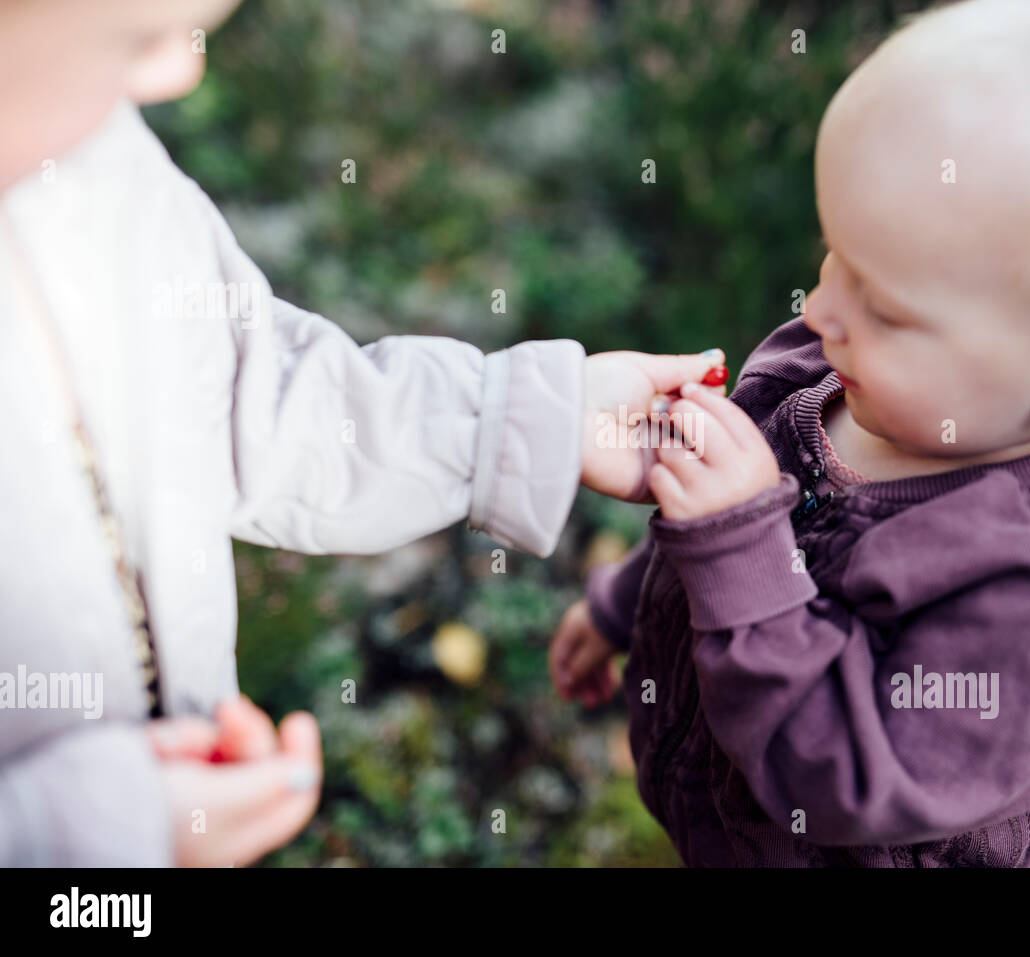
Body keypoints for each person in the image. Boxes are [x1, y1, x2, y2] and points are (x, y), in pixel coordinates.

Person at [550, 0, 1030, 865]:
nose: (821, 309)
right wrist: (622, 604)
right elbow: (718, 522)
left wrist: (736, 547)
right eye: (836, 255)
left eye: (885, 303)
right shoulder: (836, 368)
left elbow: (843, 778)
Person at [0, 0, 722, 866]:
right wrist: (97, 828)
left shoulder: (102, 171)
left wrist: (528, 416)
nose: (179, 70)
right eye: (139, 39)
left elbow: (251, 399)